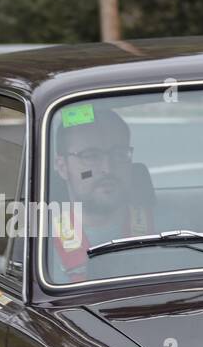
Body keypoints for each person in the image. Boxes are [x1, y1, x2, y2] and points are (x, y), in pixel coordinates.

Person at [49, 104, 154, 281]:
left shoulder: (173, 231)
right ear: (62, 166)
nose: (107, 168)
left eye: (119, 154)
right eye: (90, 156)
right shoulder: (38, 246)